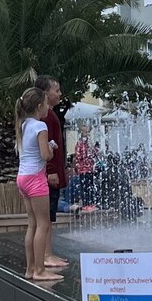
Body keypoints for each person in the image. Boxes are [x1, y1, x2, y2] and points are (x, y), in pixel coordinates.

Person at [15, 85, 56, 280]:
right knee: (43, 224)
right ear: (40, 105)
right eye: (47, 103)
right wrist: (50, 149)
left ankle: (30, 269)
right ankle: (40, 270)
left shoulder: (24, 125)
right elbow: (44, 155)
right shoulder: (41, 126)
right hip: (35, 178)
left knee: (32, 224)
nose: (49, 107)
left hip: (22, 177)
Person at [34, 75, 68, 269]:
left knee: (48, 217)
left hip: (49, 173)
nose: (60, 94)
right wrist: (51, 171)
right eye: (57, 90)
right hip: (48, 175)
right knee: (46, 217)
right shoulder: (46, 117)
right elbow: (46, 145)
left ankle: (48, 253)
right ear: (46, 94)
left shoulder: (50, 114)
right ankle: (46, 255)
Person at [72, 131, 95, 208]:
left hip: (90, 169)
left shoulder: (89, 143)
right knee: (84, 187)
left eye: (88, 132)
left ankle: (90, 203)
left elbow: (94, 154)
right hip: (83, 169)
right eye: (86, 132)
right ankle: (86, 204)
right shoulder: (80, 143)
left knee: (90, 187)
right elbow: (78, 156)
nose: (87, 134)